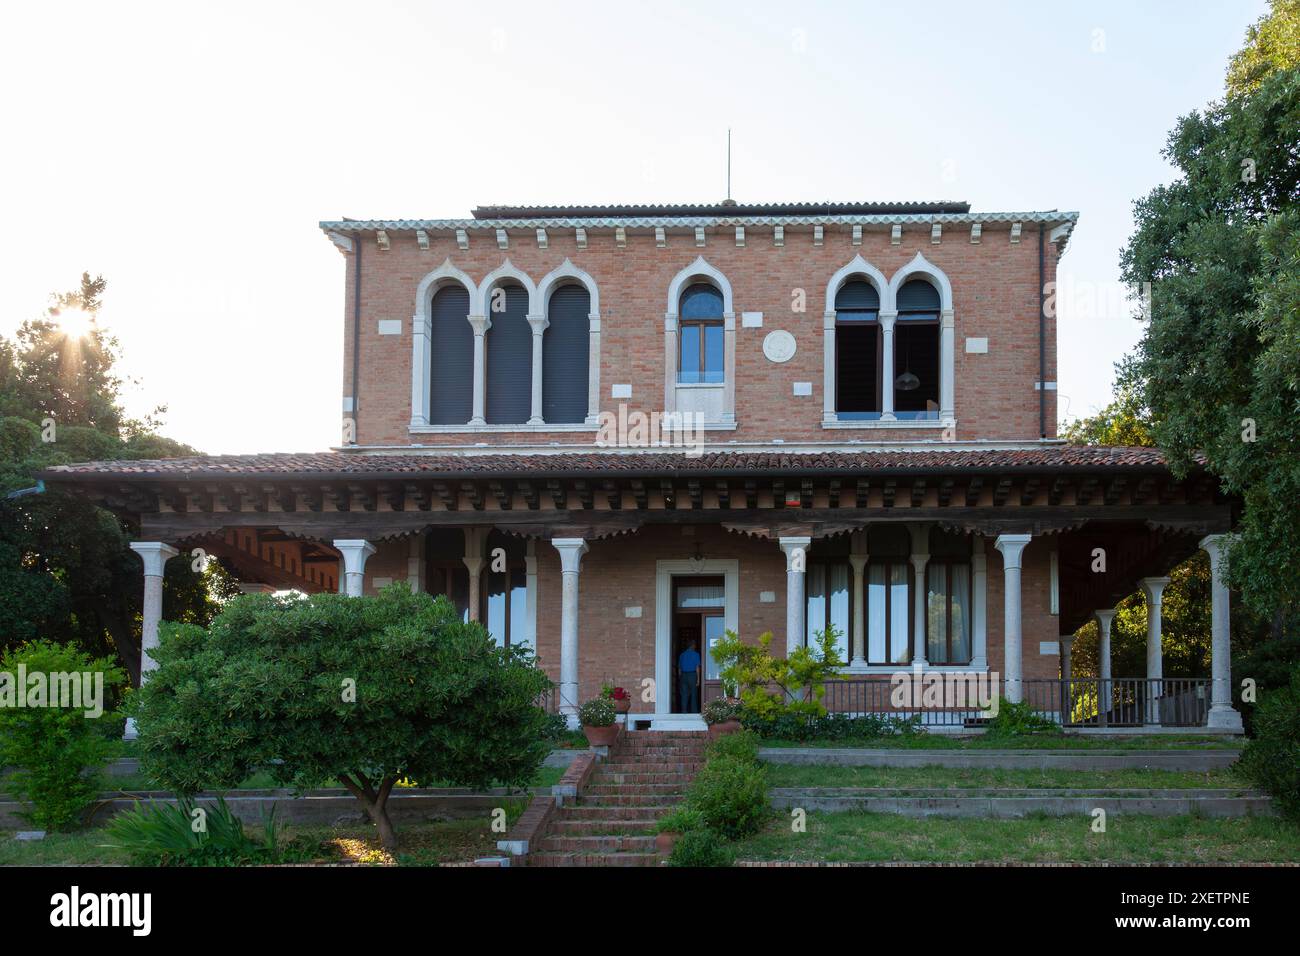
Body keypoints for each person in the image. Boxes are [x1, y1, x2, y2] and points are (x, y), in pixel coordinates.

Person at [677, 639, 701, 713]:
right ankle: (694, 712)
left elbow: (679, 668)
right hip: (692, 675)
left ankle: (684, 711)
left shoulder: (682, 655)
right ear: (693, 645)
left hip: (683, 675)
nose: (695, 646)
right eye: (695, 645)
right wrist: (698, 679)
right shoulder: (696, 654)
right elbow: (697, 667)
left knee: (684, 695)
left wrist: (680, 678)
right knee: (694, 694)